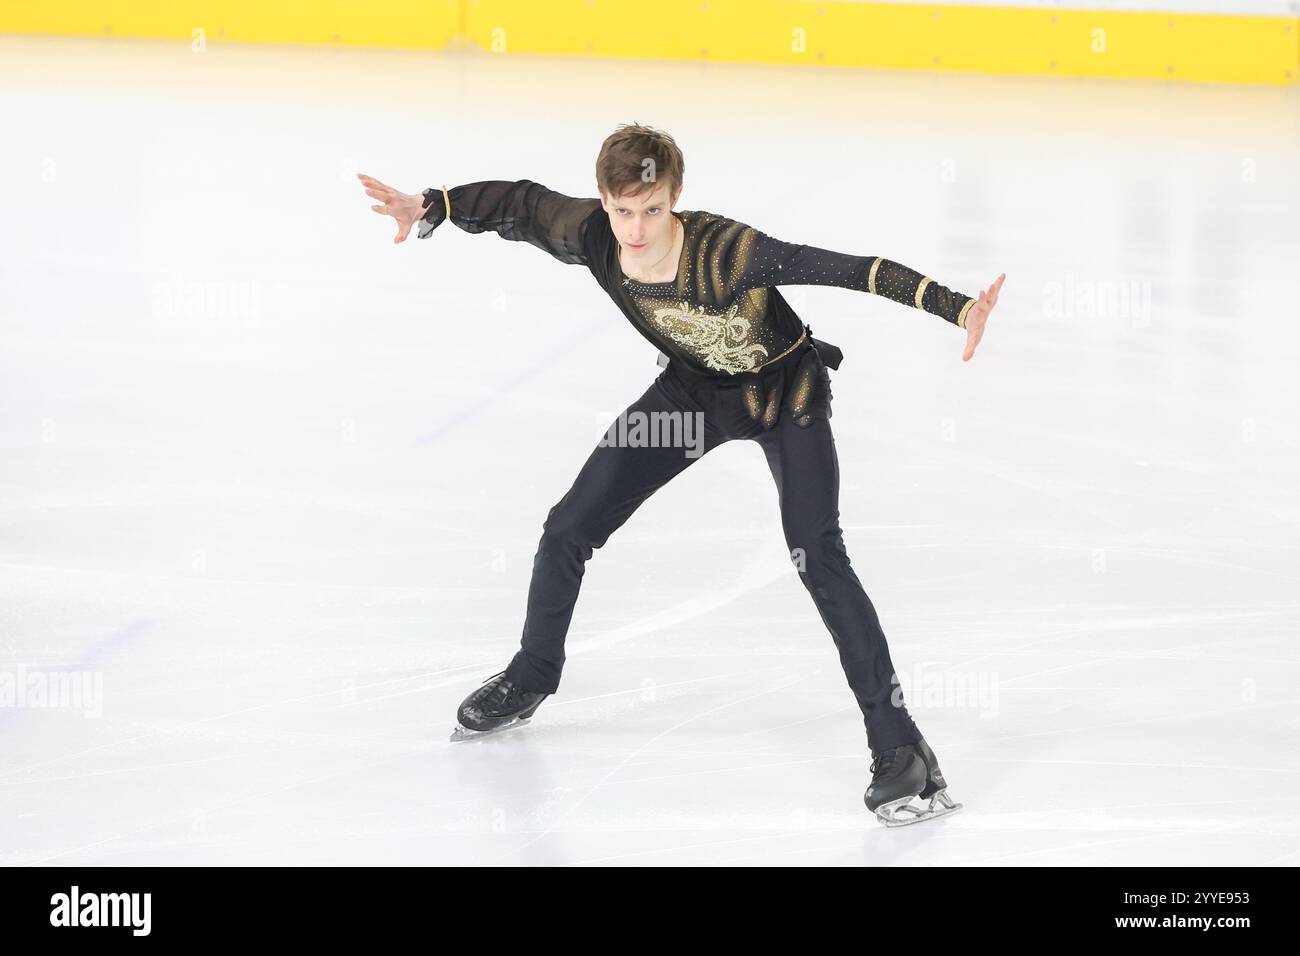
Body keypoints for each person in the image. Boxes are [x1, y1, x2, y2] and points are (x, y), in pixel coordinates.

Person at [357, 123, 1004, 826]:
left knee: (819, 553)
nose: (636, 229)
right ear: (605, 201)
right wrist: (434, 205)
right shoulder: (594, 235)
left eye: (653, 209)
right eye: (623, 209)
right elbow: (521, 203)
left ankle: (898, 749)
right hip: (690, 402)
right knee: (568, 527)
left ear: (676, 198)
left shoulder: (729, 253)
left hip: (784, 399)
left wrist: (957, 306)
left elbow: (853, 269)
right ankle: (531, 675)